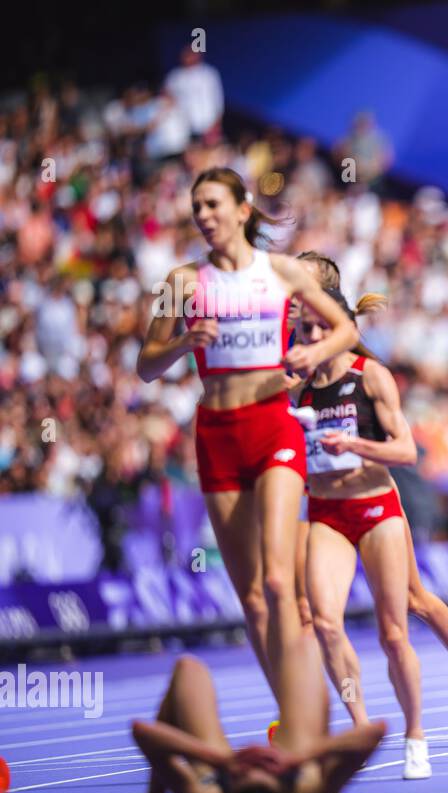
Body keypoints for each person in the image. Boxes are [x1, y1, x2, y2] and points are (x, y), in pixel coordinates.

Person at [136, 168, 357, 701]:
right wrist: (185, 342)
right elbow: (145, 365)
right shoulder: (181, 284)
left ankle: (308, 716)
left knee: (281, 583)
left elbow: (347, 328)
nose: (204, 217)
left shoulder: (282, 273)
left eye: (214, 205)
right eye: (197, 209)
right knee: (253, 598)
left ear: (242, 209)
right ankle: (292, 714)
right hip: (217, 436)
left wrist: (312, 353)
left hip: (272, 429)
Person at [286, 253, 448, 743]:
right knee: (311, 615)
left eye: (304, 287)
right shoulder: (295, 369)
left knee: (413, 601)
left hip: (376, 501)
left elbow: (405, 449)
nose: (293, 294)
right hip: (324, 509)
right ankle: (324, 718)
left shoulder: (366, 371)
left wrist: (354, 443)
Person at [113, 644, 382, 793]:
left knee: (188, 668)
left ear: (231, 783)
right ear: (279, 779)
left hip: (224, 773)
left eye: (247, 770)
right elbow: (375, 731)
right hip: (295, 775)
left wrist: (221, 760)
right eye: (263, 770)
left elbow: (143, 733)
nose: (255, 759)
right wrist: (301, 759)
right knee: (307, 656)